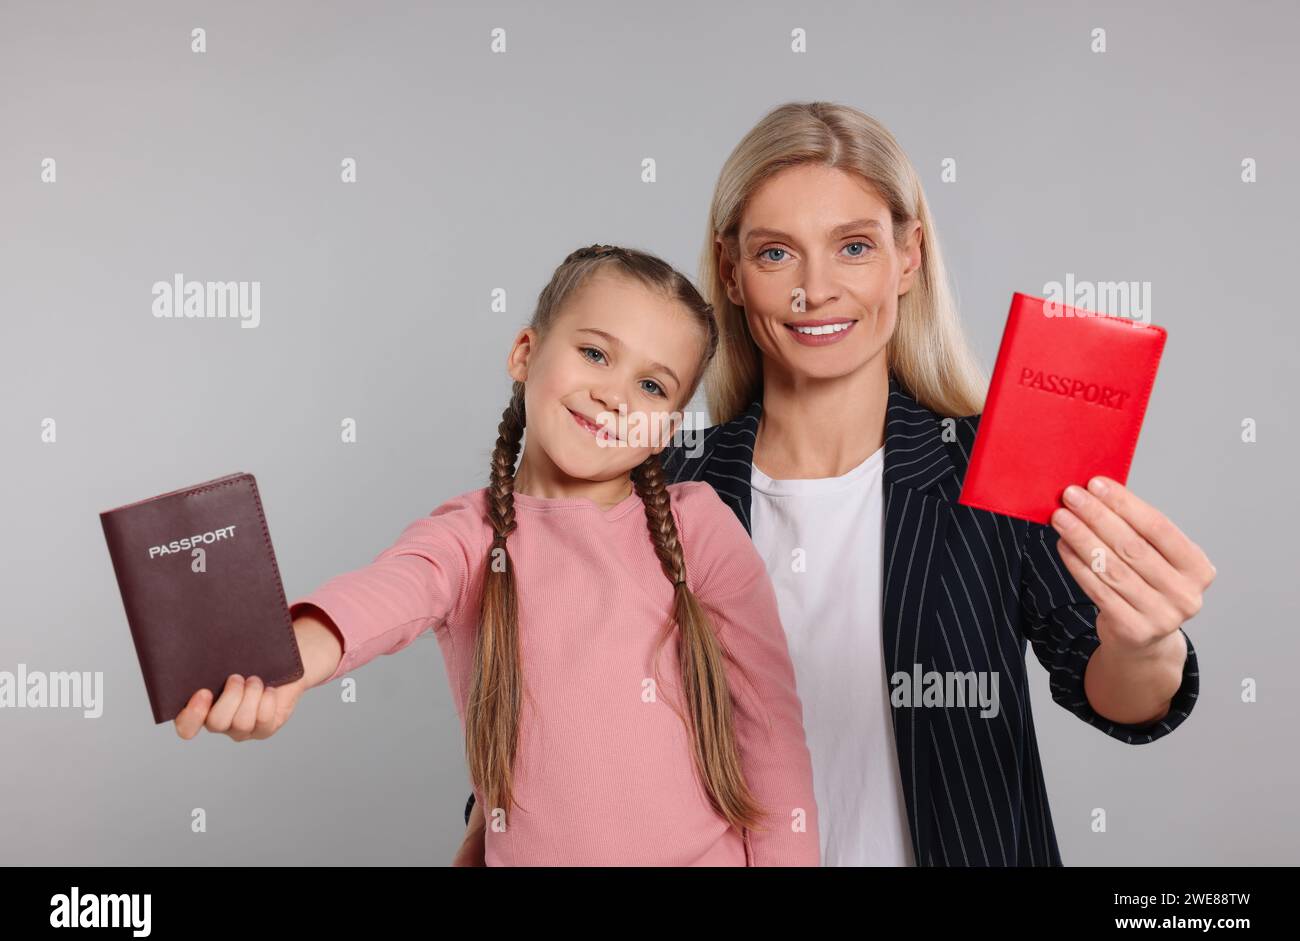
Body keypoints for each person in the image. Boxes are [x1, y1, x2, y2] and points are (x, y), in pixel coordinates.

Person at [459, 102, 1214, 867]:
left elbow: (1119, 694)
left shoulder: (991, 464)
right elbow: (551, 722)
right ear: (731, 271)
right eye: (776, 254)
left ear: (908, 255)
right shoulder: (663, 488)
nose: (813, 289)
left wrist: (1145, 640)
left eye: (853, 246)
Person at [173, 244, 821, 866]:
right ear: (524, 352)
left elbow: (772, 741)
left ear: (670, 429)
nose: (615, 395)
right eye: (595, 353)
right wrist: (281, 664)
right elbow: (383, 596)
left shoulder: (698, 527)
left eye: (652, 386)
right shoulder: (471, 536)